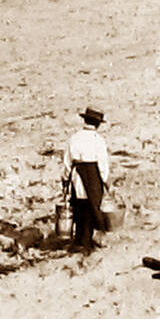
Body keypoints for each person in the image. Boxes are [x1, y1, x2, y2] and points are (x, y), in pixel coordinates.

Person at [64, 107, 109, 254]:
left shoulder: (74, 138)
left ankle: (78, 240)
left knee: (79, 206)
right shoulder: (98, 140)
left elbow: (67, 161)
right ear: (97, 124)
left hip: (77, 174)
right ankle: (86, 241)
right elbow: (102, 164)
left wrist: (65, 179)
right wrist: (106, 180)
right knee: (92, 207)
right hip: (93, 175)